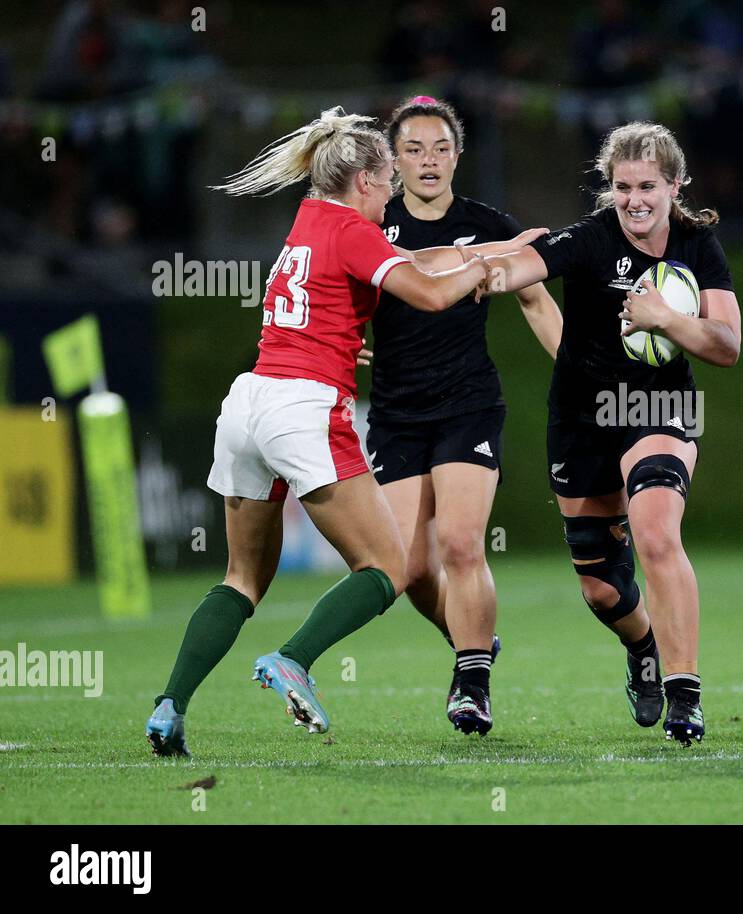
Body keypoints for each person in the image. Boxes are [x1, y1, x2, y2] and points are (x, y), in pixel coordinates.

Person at [146, 107, 540, 756]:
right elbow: (432, 293)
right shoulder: (356, 231)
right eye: (386, 179)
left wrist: (489, 247)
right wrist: (486, 266)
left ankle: (169, 707)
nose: (390, 194)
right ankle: (295, 658)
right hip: (302, 409)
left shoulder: (307, 220)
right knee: (389, 565)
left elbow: (344, 288)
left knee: (241, 579)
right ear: (362, 181)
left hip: (248, 401)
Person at [476, 122, 741, 744]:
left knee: (654, 533)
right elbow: (517, 270)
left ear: (675, 185)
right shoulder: (590, 239)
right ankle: (643, 646)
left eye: (648, 185)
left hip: (659, 407)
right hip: (581, 417)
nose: (635, 199)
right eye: (622, 186)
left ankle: (684, 695)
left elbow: (727, 347)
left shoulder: (700, 247)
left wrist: (667, 319)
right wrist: (461, 271)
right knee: (601, 590)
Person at [361, 96, 562, 736]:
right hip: (396, 410)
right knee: (407, 569)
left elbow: (534, 299)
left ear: (458, 155)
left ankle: (471, 681)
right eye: (413, 150)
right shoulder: (370, 223)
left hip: (468, 404)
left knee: (460, 544)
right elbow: (339, 291)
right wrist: (347, 335)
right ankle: (473, 641)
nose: (428, 161)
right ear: (392, 158)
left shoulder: (488, 224)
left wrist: (581, 372)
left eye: (440, 148)